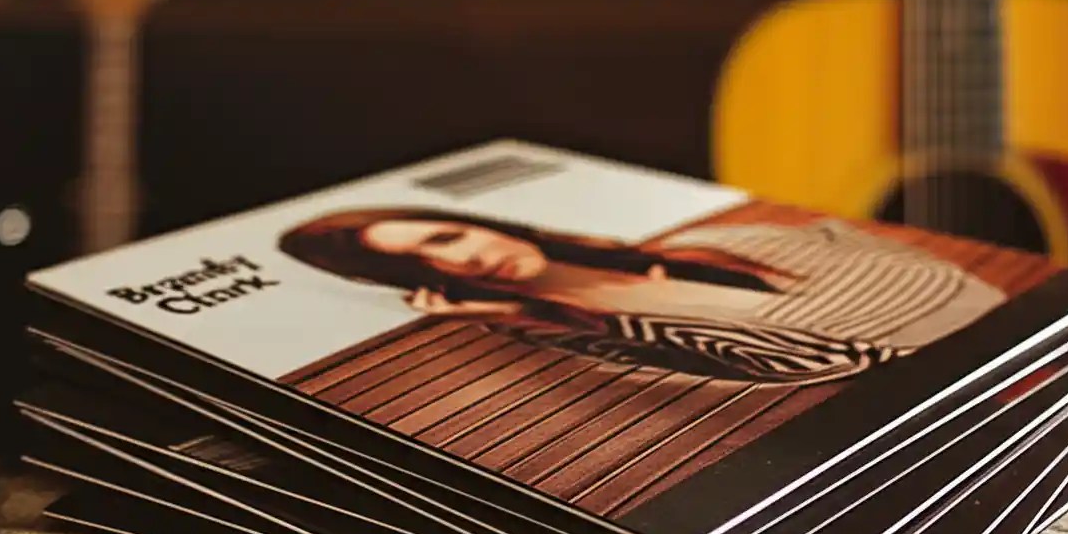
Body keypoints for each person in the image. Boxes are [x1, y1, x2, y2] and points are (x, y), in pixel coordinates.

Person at [277, 207, 1004, 386]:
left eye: (446, 234)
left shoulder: (732, 239)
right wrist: (523, 318)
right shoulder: (601, 336)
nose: (465, 256)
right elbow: (818, 362)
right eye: (423, 263)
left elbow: (935, 275)